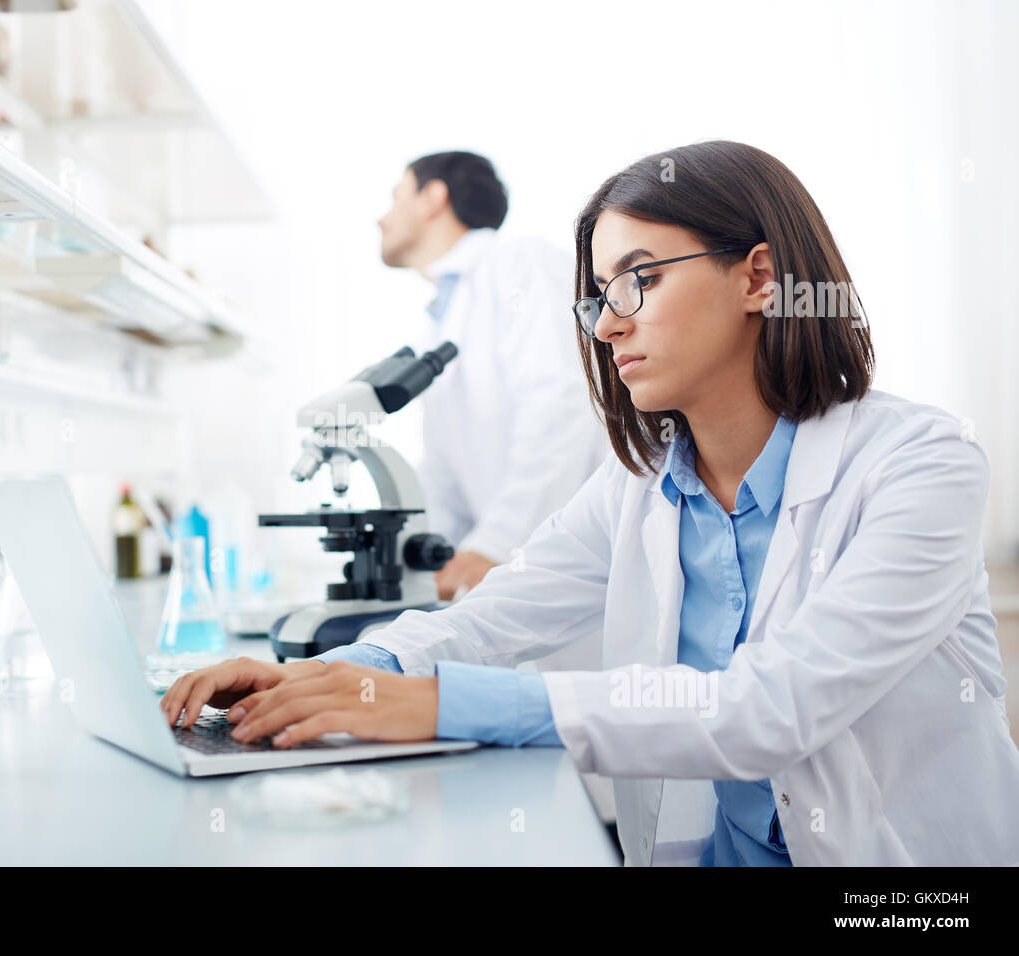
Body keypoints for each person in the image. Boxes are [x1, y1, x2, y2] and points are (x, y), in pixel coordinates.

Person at [162, 140, 1019, 866]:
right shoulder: (642, 485)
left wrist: (432, 704)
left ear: (759, 277)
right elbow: (495, 616)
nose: (608, 327)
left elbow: (772, 707)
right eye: (599, 294)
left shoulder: (920, 464)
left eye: (639, 279)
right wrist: (338, 677)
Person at [376, 150, 608, 600]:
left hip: (570, 566)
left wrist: (495, 545)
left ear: (432, 198)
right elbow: (446, 466)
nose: (381, 218)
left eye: (395, 197)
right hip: (515, 573)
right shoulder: (442, 313)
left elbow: (561, 402)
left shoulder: (518, 262)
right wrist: (429, 556)